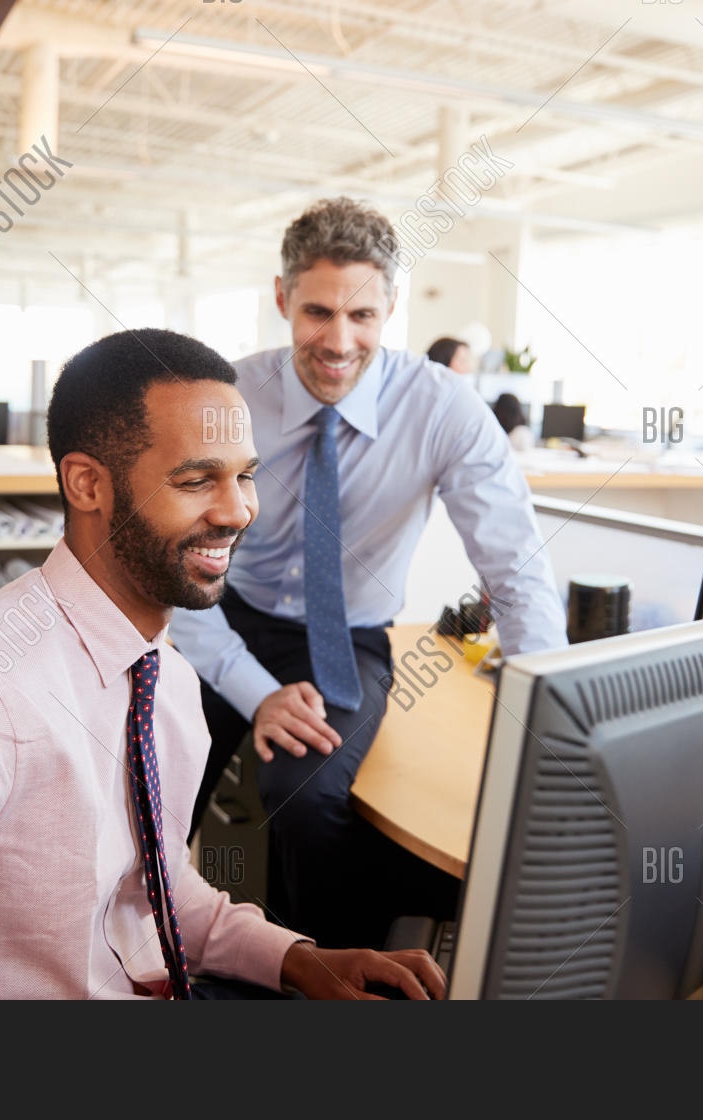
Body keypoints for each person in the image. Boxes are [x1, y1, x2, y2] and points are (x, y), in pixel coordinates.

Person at [0, 329, 445, 1000]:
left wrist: (298, 959)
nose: (237, 512)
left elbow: (156, 892)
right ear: (87, 485)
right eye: (198, 480)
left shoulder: (163, 678)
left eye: (245, 477)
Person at [171, 197, 568, 950]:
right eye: (318, 312)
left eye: (363, 317)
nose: (338, 342)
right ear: (283, 298)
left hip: (343, 636)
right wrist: (257, 695)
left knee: (306, 795)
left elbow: (515, 570)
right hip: (220, 617)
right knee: (147, 775)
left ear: (391, 307)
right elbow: (178, 569)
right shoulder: (226, 397)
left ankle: (322, 972)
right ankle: (135, 949)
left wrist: (551, 726)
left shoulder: (445, 410)